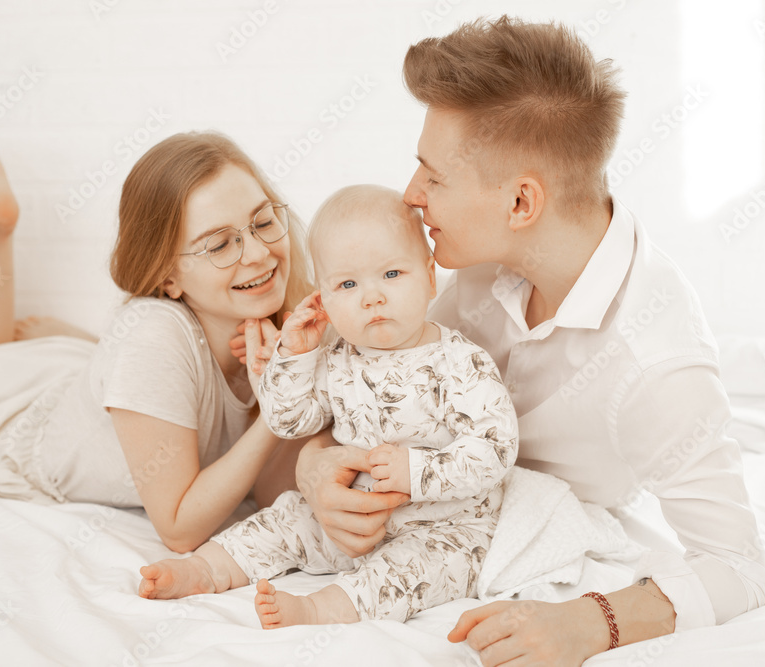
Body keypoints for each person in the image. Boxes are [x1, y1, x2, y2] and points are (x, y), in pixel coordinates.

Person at [295, 16, 765, 666]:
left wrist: (589, 622)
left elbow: (739, 566)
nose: (410, 196)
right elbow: (379, 379)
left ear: (521, 203)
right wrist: (317, 465)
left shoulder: (655, 366)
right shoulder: (479, 266)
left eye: (432, 176)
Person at [0, 115, 314, 552]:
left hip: (63, 383)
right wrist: (281, 403)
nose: (259, 253)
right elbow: (179, 528)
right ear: (168, 278)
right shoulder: (151, 338)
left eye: (262, 221)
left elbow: (275, 490)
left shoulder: (292, 325)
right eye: (219, 245)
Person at [137, 184, 519, 629]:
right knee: (283, 519)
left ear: (430, 276)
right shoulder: (335, 358)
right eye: (348, 284)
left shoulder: (459, 362)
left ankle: (319, 609)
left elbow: (496, 447)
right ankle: (206, 569)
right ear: (324, 298)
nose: (372, 297)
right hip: (348, 516)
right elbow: (288, 421)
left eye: (392, 274)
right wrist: (294, 358)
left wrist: (416, 472)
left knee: (411, 572)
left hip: (444, 527)